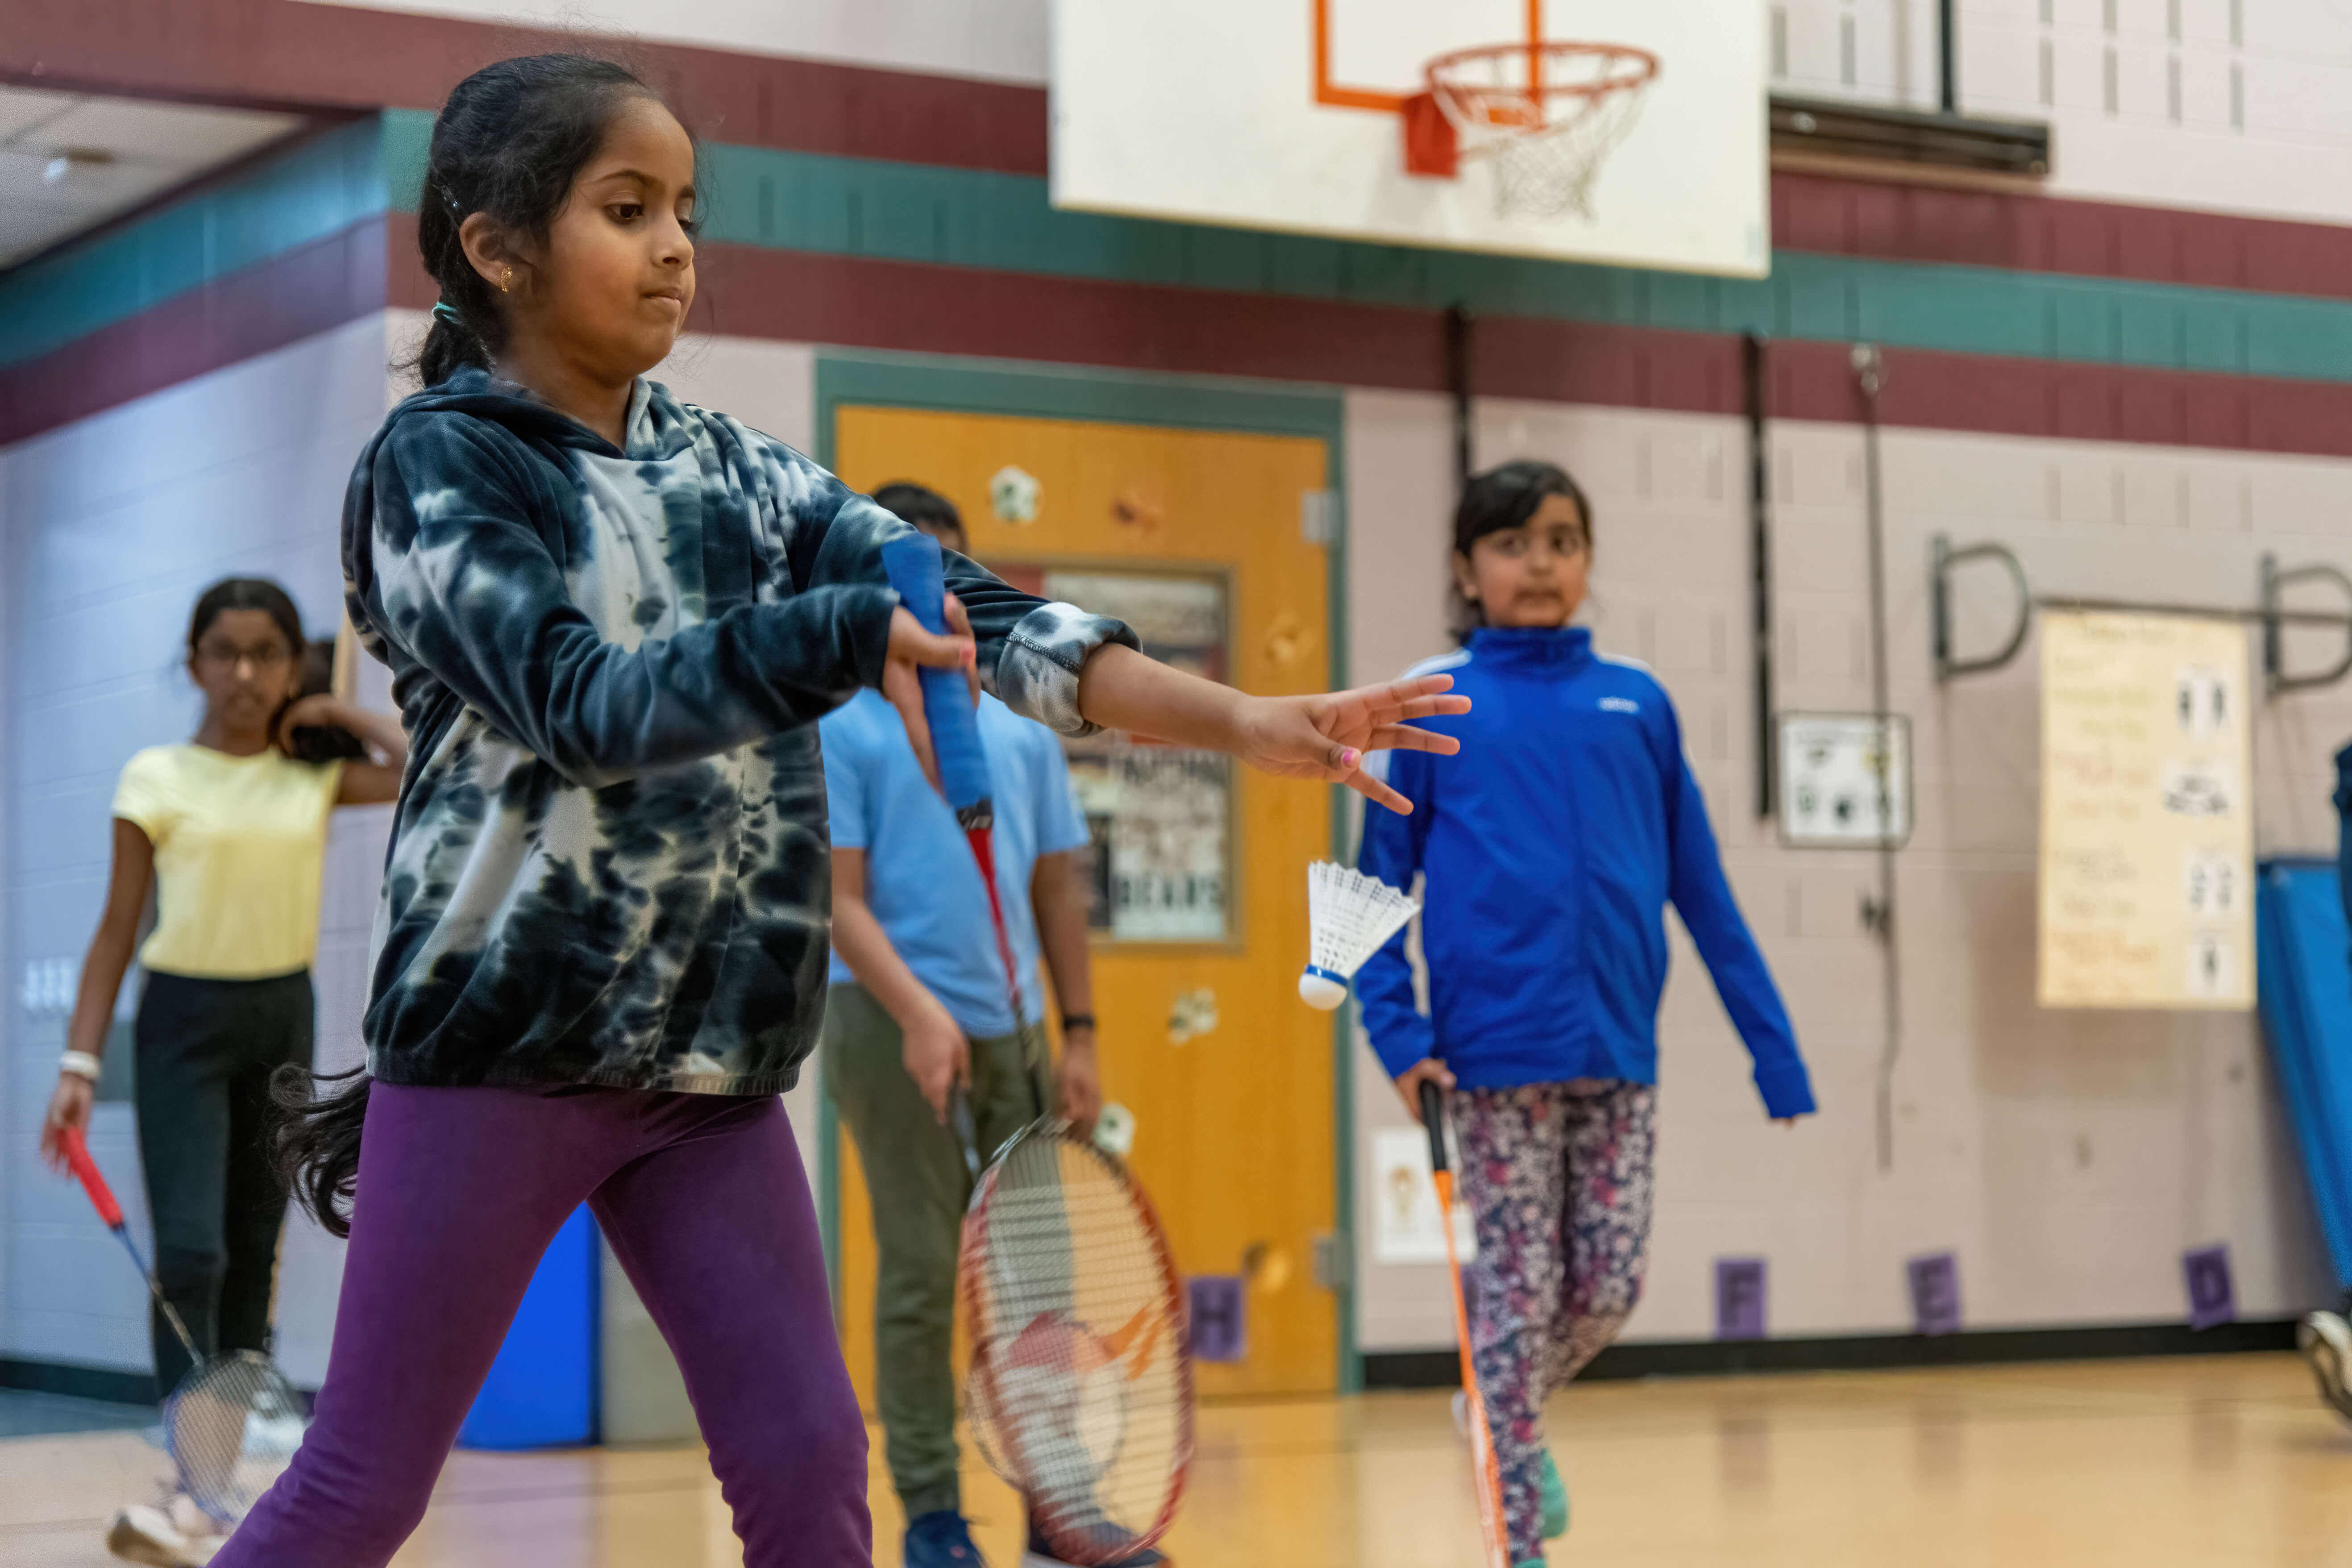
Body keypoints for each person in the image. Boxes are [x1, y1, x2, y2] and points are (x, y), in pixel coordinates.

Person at [229, 55, 1466, 1568]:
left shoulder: (731, 467)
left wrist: (1244, 722)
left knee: (815, 1471)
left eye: (687, 207)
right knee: (364, 1488)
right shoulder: (444, 468)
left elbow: (984, 614)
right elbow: (583, 704)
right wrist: (822, 636)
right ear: (495, 245)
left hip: (712, 1064)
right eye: (629, 209)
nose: (679, 244)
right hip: (502, 1046)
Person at [1355, 461, 1815, 1568]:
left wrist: (1775, 1051)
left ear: (1589, 557)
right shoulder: (1427, 700)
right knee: (1511, 1308)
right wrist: (1396, 1032)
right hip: (1486, 1056)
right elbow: (1366, 885)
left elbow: (1700, 886)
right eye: (1512, 544)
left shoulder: (1638, 703)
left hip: (1618, 1048)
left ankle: (1492, 1409)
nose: (1540, 563)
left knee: (1606, 1288)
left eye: (1561, 540)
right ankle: (1518, 1542)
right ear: (1467, 569)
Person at [36, 578, 406, 1567]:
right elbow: (118, 927)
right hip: (179, 1028)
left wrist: (337, 713)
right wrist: (78, 1060)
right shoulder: (155, 775)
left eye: (267, 654)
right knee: (191, 1252)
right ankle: (190, 1477)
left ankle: (211, 1488)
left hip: (279, 1023)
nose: (245, 675)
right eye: (225, 653)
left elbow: (428, 773)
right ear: (194, 661)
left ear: (294, 662)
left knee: (254, 1256)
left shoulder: (310, 773)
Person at [822, 482, 1119, 1568]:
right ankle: (934, 1517)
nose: (924, 594)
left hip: (1016, 1034)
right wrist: (918, 1014)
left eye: (942, 572)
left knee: (1041, 1278)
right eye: (897, 573)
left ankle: (1058, 1508)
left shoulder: (1025, 729)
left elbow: (1054, 888)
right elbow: (839, 902)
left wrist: (1077, 1032)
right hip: (885, 1025)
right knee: (917, 1272)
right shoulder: (842, 727)